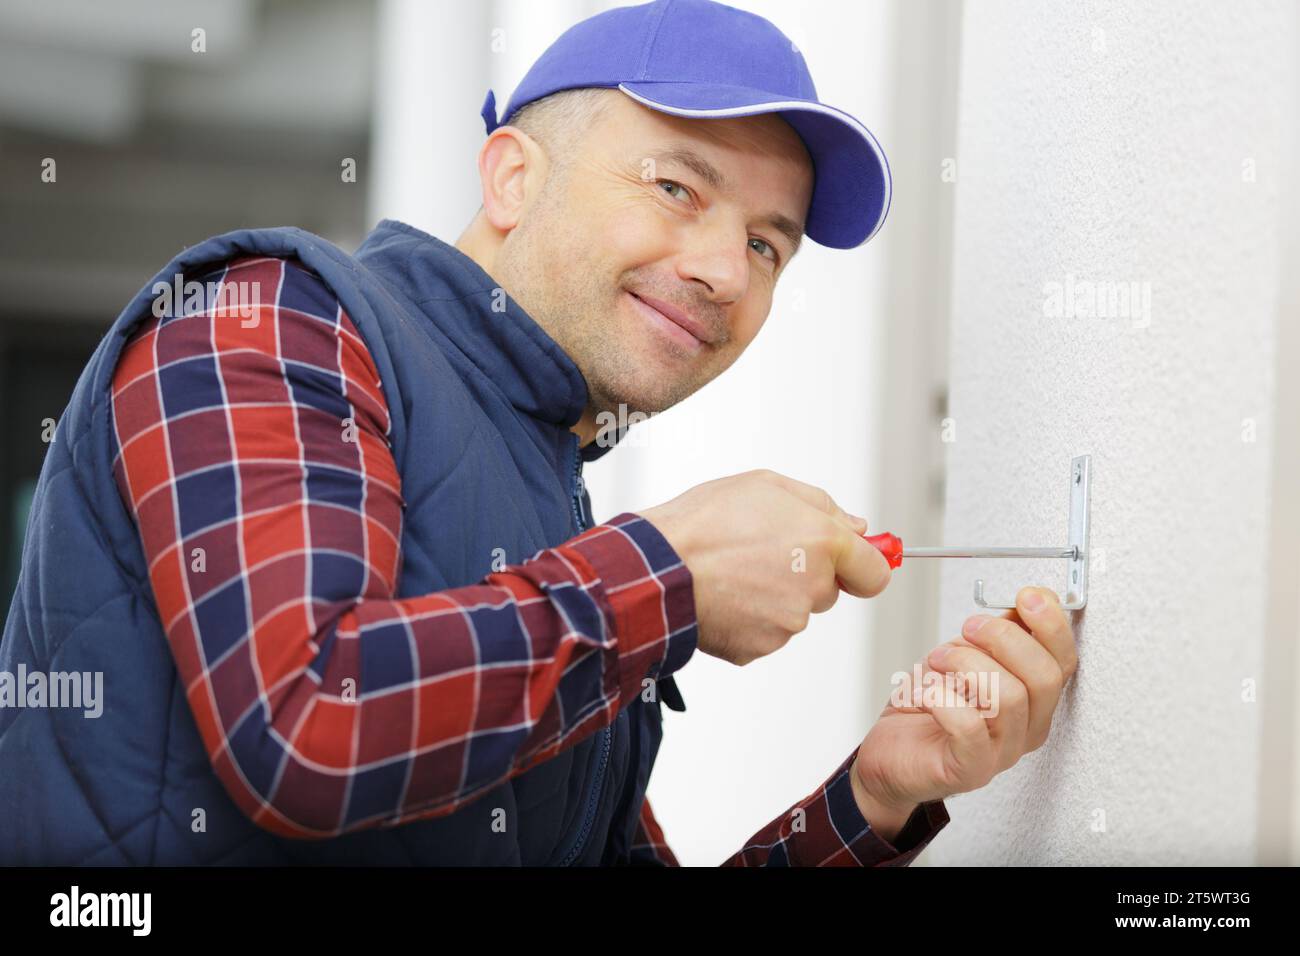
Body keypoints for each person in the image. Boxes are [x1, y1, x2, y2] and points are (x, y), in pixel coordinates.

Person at [0, 0, 1077, 866]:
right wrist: (674, 572)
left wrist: (881, 791)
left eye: (765, 245)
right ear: (512, 175)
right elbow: (304, 723)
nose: (719, 269)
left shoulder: (551, 506)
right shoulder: (270, 317)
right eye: (673, 185)